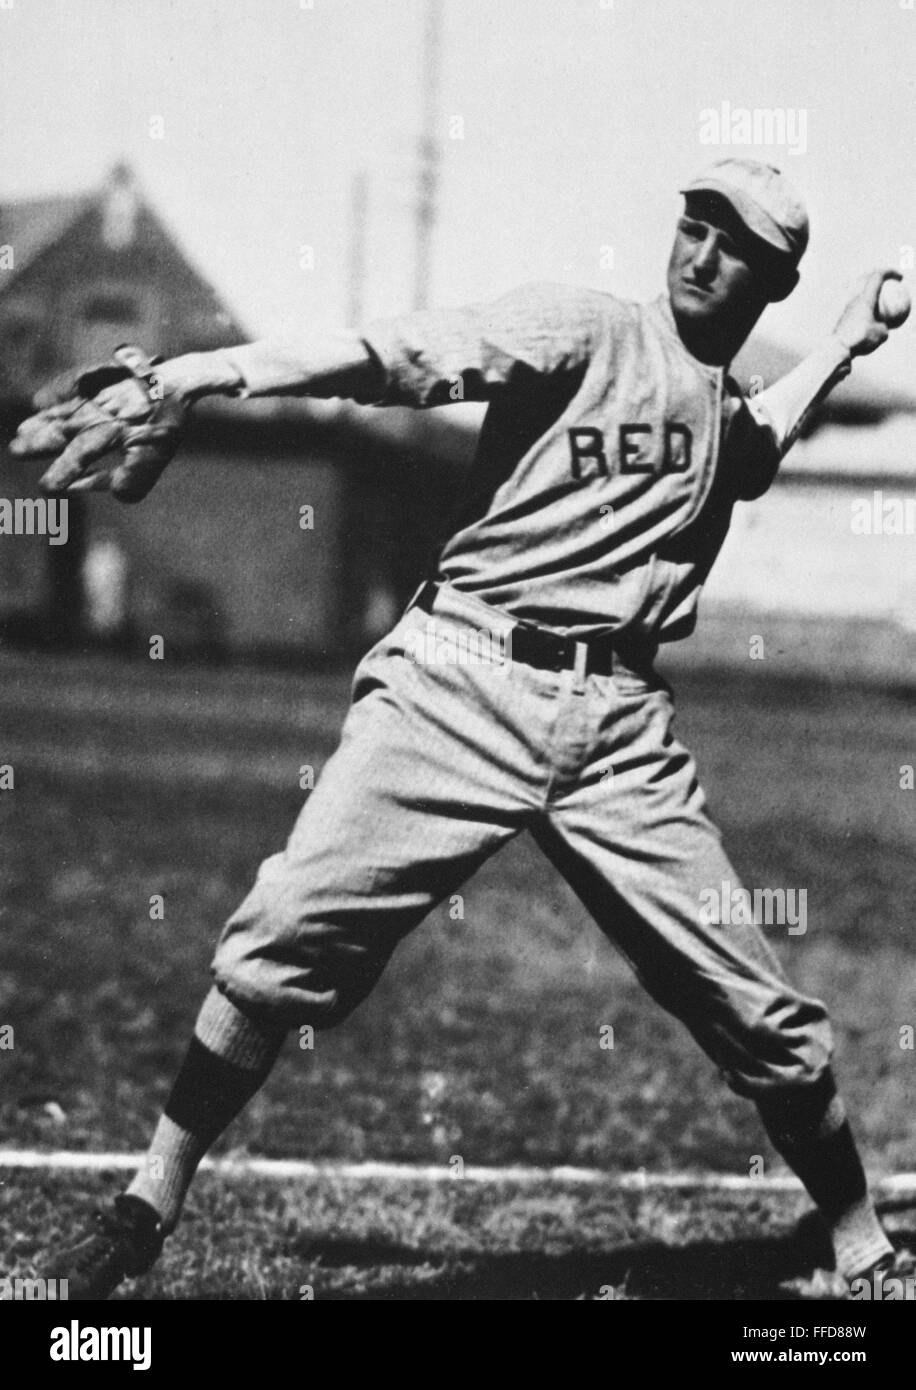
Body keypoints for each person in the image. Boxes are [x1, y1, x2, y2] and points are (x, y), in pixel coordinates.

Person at [11, 158, 910, 1299]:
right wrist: (201, 373)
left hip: (618, 730)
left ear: (772, 282)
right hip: (460, 680)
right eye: (694, 224)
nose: (701, 253)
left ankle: (858, 1240)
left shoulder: (721, 411)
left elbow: (759, 443)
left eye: (735, 246)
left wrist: (844, 343)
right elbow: (399, 354)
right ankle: (146, 1203)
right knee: (281, 933)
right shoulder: (582, 329)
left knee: (761, 1013)